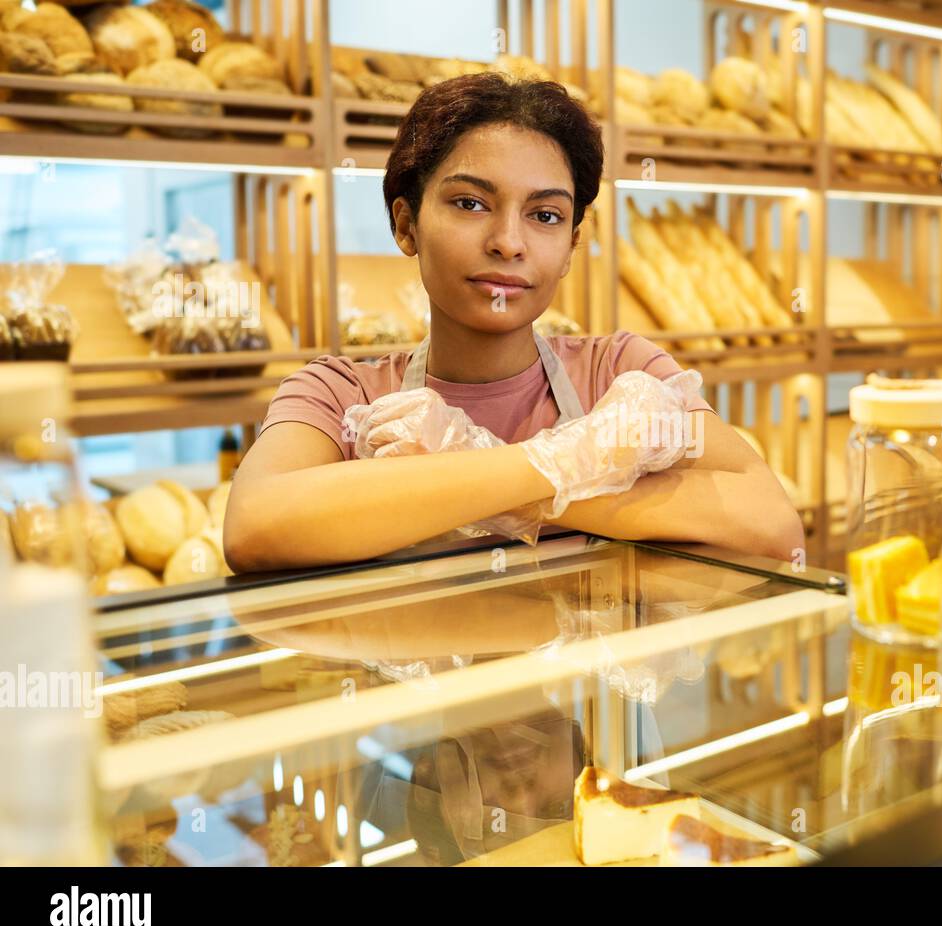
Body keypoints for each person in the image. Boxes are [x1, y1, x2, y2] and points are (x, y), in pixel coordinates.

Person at [223, 71, 803, 572]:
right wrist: (576, 462)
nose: (508, 243)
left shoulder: (619, 373)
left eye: (545, 215)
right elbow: (256, 528)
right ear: (406, 224)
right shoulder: (343, 394)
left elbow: (771, 526)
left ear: (572, 245)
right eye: (470, 203)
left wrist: (464, 466)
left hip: (583, 701)